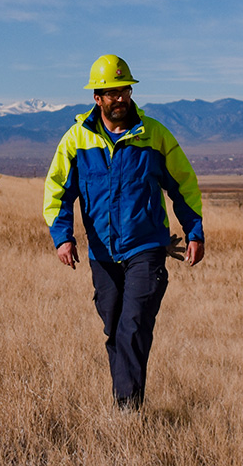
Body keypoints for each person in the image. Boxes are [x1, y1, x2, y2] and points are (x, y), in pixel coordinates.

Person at [42, 55, 204, 410]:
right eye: (110, 92)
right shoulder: (77, 140)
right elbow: (57, 191)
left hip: (146, 247)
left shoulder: (154, 135)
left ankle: (126, 410)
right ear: (96, 98)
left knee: (133, 324)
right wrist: (63, 237)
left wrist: (194, 230)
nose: (119, 98)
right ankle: (127, 400)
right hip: (102, 253)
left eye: (124, 90)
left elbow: (184, 184)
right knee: (115, 329)